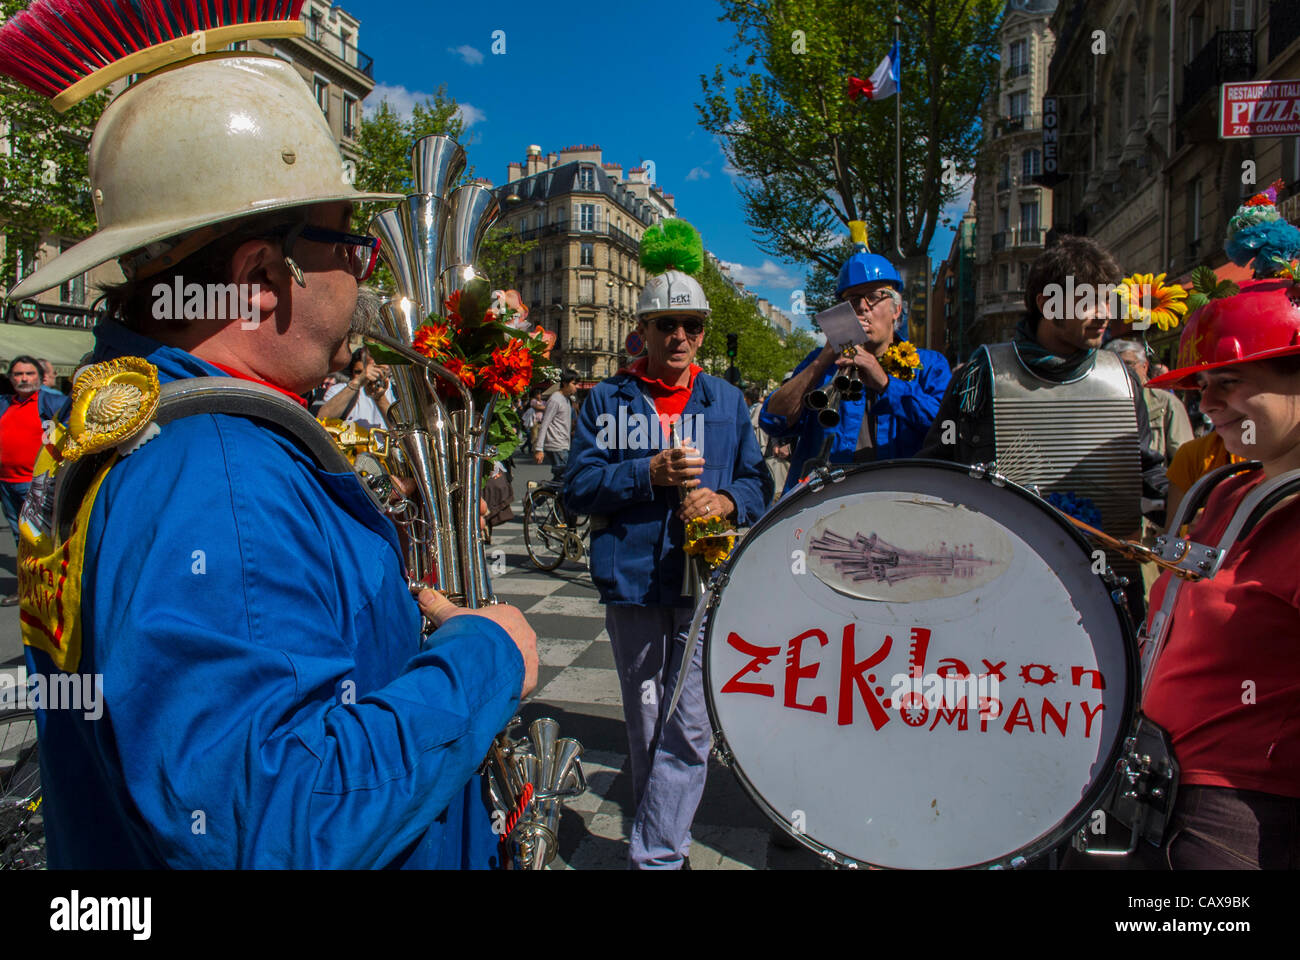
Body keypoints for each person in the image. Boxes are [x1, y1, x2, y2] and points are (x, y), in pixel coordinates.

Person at [3, 35, 537, 868]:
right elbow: (276, 817)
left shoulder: (135, 421)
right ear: (260, 272)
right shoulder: (218, 473)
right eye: (349, 245)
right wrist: (485, 658)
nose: (363, 274)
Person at [565, 219, 772, 869]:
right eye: (666, 325)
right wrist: (645, 472)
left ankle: (656, 853)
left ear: (703, 332)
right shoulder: (605, 400)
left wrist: (730, 500)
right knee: (646, 716)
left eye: (692, 325)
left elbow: (757, 483)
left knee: (690, 722)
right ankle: (659, 829)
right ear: (644, 330)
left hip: (702, 577)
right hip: (631, 578)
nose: (679, 336)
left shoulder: (727, 402)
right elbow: (576, 486)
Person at [1135, 274, 1300, 869]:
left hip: (1240, 820)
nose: (1204, 404)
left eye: (1228, 383)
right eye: (1202, 386)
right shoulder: (1230, 489)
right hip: (1156, 791)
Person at [918, 236, 1166, 618]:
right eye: (1087, 301)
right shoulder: (981, 376)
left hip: (1107, 593)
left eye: (1106, 300)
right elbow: (936, 469)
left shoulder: (1122, 379)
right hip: (1002, 590)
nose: (1103, 314)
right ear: (1046, 304)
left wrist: (1200, 505)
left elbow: (1144, 469)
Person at [761, 222, 951, 491]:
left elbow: (948, 432)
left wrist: (886, 384)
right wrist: (822, 360)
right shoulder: (824, 360)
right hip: (826, 514)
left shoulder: (929, 365)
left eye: (874, 296)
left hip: (904, 505)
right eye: (852, 300)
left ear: (896, 310)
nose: (862, 307)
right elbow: (773, 422)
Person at [0, 356, 72, 605]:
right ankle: (27, 589)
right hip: (7, 483)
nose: (23, 379)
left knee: (43, 539)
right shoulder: (5, 405)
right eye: (18, 374)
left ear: (39, 378)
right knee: (21, 539)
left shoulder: (53, 402)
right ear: (10, 378)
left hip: (37, 483)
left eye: (29, 374)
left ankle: (51, 591)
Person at [316, 344, 394, 428]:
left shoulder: (400, 395)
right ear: (363, 355)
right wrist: (357, 381)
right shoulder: (338, 390)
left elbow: (405, 435)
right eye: (373, 355)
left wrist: (380, 398)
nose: (379, 361)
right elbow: (320, 420)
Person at [534, 369, 579, 481]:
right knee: (564, 478)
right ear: (565, 383)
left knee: (562, 479)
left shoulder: (567, 400)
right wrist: (539, 449)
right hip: (556, 445)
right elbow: (545, 423)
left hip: (564, 444)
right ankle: (541, 496)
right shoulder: (555, 399)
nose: (576, 387)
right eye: (574, 384)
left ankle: (543, 496)